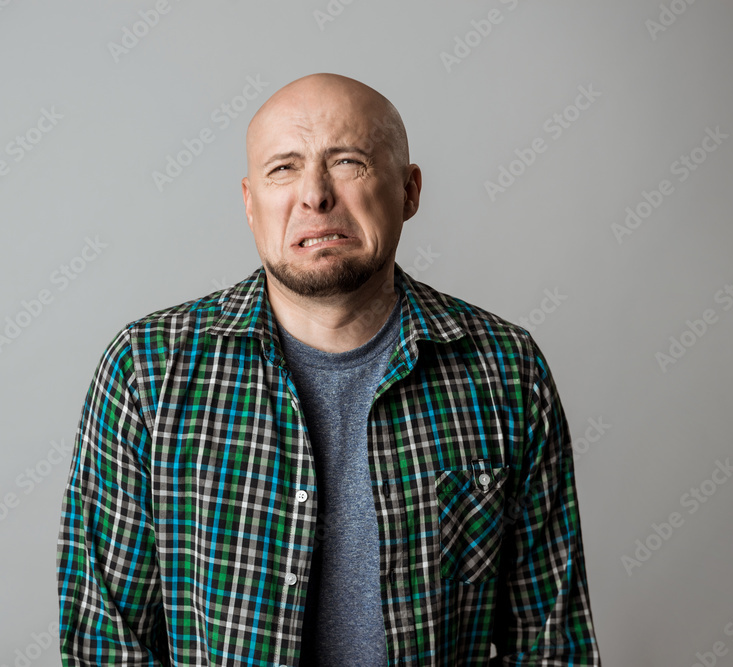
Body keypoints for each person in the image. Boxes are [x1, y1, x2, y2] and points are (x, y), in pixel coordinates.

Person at [57, 73, 601, 666]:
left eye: (347, 162)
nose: (314, 195)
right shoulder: (148, 371)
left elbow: (553, 645)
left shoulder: (505, 371)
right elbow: (106, 646)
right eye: (282, 168)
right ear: (249, 202)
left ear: (410, 191)